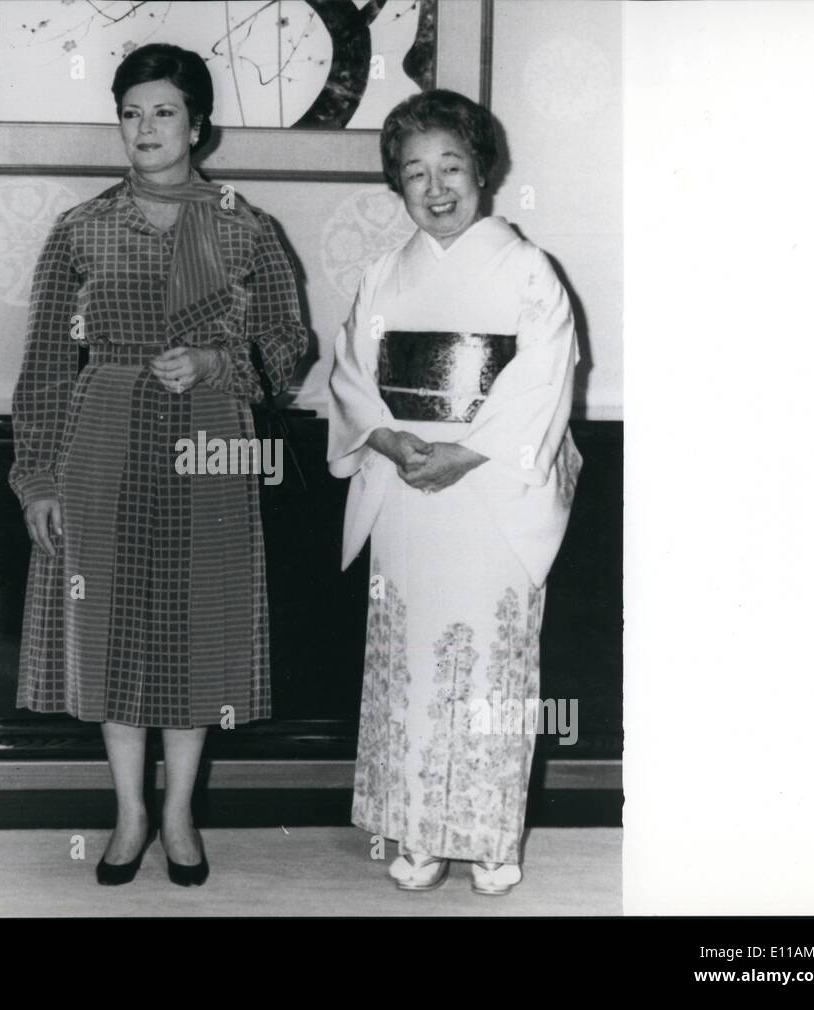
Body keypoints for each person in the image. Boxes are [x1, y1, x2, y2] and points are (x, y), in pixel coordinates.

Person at [9, 44, 307, 887]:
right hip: (101, 442)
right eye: (132, 112)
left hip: (213, 443)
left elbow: (289, 352)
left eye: (164, 111)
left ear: (198, 125)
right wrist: (35, 477)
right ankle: (129, 812)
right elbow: (40, 366)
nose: (146, 127)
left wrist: (219, 364)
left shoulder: (247, 226)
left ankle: (179, 812)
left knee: (195, 629)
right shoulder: (82, 228)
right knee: (108, 629)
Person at [327, 89, 582, 895]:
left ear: (482, 169)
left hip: (489, 494)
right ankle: (417, 833)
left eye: (451, 168)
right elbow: (350, 373)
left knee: (485, 664)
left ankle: (492, 838)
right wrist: (388, 435)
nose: (436, 189)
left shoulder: (528, 272)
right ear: (396, 186)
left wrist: (466, 451)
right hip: (407, 488)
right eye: (414, 173)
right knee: (410, 659)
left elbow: (544, 378)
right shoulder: (383, 276)